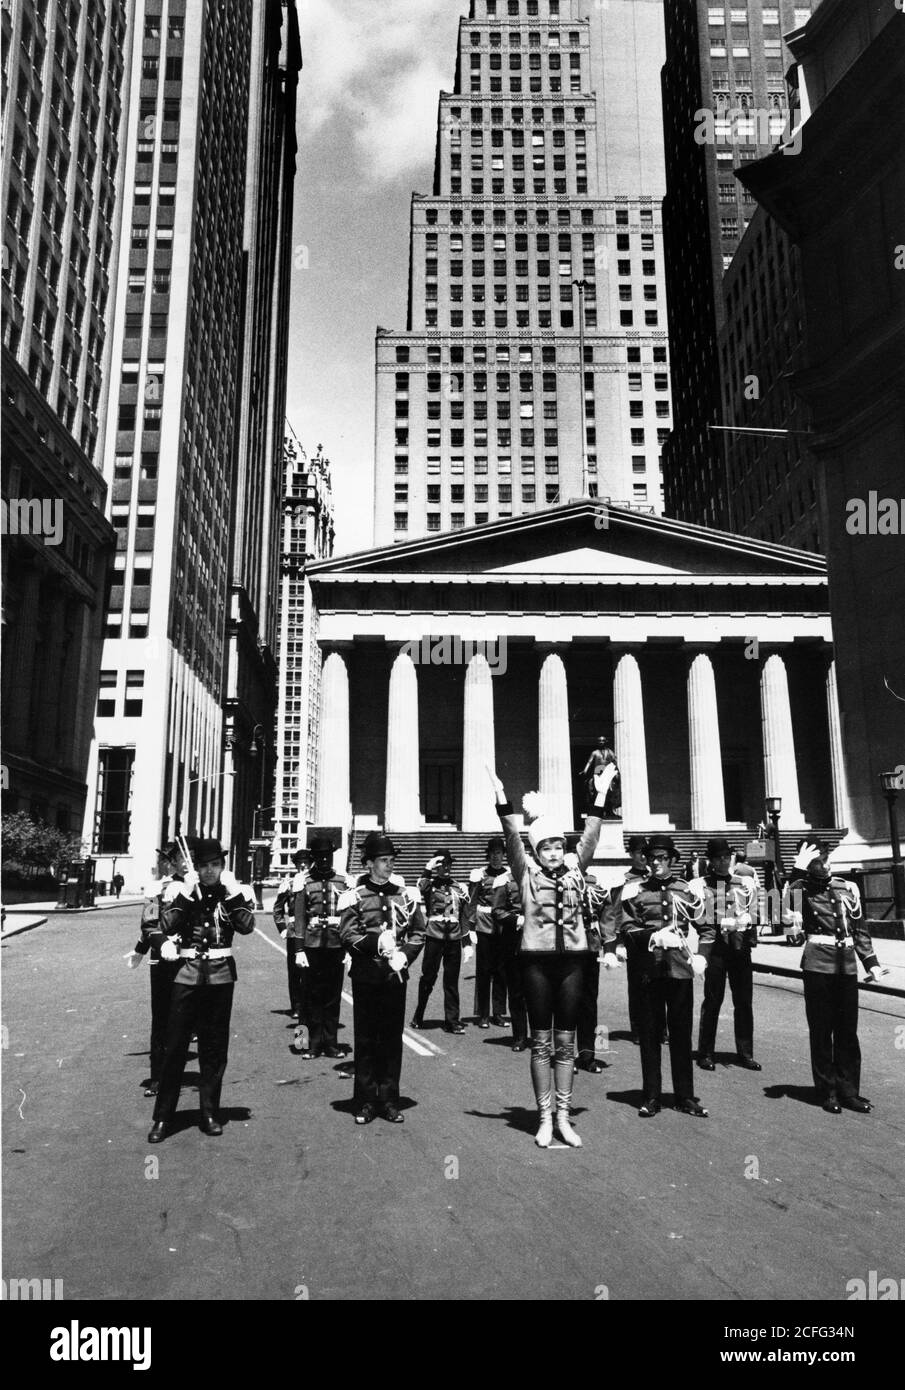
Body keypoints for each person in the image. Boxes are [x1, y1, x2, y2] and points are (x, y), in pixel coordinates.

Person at [487, 763, 614, 1148]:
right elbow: (511, 836)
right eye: (547, 847)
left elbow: (590, 834)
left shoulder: (576, 870)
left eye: (559, 846)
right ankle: (544, 1118)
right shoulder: (525, 874)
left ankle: (564, 1116)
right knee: (541, 1042)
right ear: (537, 852)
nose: (555, 853)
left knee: (566, 1041)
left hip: (573, 961)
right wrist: (501, 798)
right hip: (537, 963)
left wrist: (602, 793)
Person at [147, 840, 255, 1142]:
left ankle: (209, 1112)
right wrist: (184, 894)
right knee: (175, 1047)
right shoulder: (181, 891)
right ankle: (163, 1117)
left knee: (214, 1049)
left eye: (215, 866)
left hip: (220, 977)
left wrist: (232, 893)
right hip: (188, 974)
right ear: (197, 867)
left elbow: (247, 926)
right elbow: (165, 924)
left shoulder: (232, 892)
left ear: (222, 867)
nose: (209, 871)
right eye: (204, 866)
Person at [783, 841, 887, 1113]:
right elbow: (777, 913)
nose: (824, 862)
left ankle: (849, 1091)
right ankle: (827, 1091)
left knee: (847, 1031)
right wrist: (795, 873)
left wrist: (871, 963)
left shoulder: (847, 887)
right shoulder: (801, 889)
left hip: (846, 964)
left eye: (826, 856)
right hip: (818, 964)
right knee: (821, 1030)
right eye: (818, 858)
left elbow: (859, 928)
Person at [610, 834, 708, 1118]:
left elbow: (707, 927)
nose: (656, 863)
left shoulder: (687, 890)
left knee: (681, 1034)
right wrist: (654, 936)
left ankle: (685, 1096)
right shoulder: (634, 890)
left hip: (679, 969)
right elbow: (626, 928)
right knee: (651, 1034)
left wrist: (702, 956)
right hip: (649, 971)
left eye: (663, 858)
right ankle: (651, 1095)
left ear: (672, 861)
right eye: (652, 858)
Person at [337, 836, 426, 1125]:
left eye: (391, 861)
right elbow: (347, 935)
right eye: (384, 861)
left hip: (394, 975)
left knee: (390, 1040)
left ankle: (388, 1100)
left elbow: (418, 932)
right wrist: (376, 943)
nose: (390, 866)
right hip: (366, 975)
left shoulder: (404, 894)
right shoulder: (355, 895)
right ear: (369, 864)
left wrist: (406, 955)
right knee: (365, 1039)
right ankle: (364, 1100)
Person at [691, 838, 760, 1073]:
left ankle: (745, 1052)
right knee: (713, 1000)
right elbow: (698, 917)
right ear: (710, 860)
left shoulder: (744, 882)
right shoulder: (701, 884)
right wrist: (721, 922)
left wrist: (748, 920)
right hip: (716, 948)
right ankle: (706, 1052)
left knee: (744, 1001)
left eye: (726, 857)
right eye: (718, 857)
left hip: (740, 947)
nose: (723, 861)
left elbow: (755, 911)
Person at [124, 841, 186, 1098]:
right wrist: (141, 949)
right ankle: (159, 1077)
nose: (188, 863)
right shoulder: (156, 889)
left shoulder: (204, 887)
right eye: (184, 858)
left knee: (189, 1020)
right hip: (162, 959)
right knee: (162, 1018)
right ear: (173, 862)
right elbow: (149, 923)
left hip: (194, 959)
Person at [289, 835, 350, 1060]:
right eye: (320, 857)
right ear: (314, 859)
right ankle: (309, 1043)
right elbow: (299, 918)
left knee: (332, 996)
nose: (325, 861)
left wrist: (348, 948)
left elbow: (348, 916)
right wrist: (298, 949)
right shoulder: (304, 882)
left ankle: (331, 1043)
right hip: (312, 945)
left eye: (328, 856)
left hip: (335, 944)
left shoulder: (344, 882)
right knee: (310, 995)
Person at [412, 851, 473, 1034]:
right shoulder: (429, 885)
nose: (445, 868)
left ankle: (452, 1021)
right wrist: (427, 868)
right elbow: (420, 887)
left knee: (451, 981)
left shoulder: (458, 887)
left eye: (448, 864)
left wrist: (467, 942)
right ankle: (418, 1015)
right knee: (428, 977)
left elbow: (463, 915)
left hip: (453, 937)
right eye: (441, 865)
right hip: (434, 936)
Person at [602, 836, 649, 1044]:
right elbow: (616, 911)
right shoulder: (624, 879)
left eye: (645, 852)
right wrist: (618, 942)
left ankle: (659, 1027)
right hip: (633, 937)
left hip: (654, 937)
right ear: (631, 854)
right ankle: (638, 1029)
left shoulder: (652, 876)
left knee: (657, 984)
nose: (643, 856)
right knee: (637, 985)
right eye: (638, 852)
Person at [467, 837, 509, 1027]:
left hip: (502, 927)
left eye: (499, 853)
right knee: (484, 971)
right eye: (492, 854)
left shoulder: (508, 875)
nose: (495, 857)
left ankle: (498, 1012)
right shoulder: (479, 875)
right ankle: (483, 1014)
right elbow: (472, 901)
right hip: (484, 925)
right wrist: (471, 928)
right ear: (488, 855)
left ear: (504, 855)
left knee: (501, 971)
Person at [274, 847, 311, 1044]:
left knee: (310, 980)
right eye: (299, 863)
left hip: (312, 935)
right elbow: (278, 908)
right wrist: (281, 927)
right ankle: (296, 1008)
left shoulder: (314, 883)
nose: (303, 865)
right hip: (293, 933)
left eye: (306, 862)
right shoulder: (288, 884)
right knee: (295, 974)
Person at [490, 869, 529, 1051]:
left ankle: (541, 1036)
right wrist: (516, 919)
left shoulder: (542, 876)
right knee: (516, 991)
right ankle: (520, 1036)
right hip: (514, 940)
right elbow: (497, 911)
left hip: (541, 939)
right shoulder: (504, 880)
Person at [579, 735, 621, 817]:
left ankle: (610, 810)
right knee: (595, 789)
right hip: (598, 772)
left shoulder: (610, 752)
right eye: (599, 741)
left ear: (605, 742)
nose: (601, 742)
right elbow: (589, 762)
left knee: (611, 790)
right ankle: (598, 810)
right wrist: (585, 771)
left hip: (607, 772)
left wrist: (617, 772)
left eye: (602, 741)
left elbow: (614, 762)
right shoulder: (595, 752)